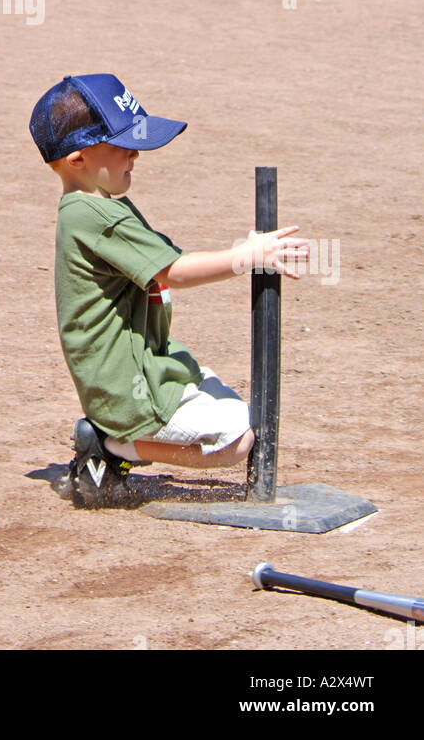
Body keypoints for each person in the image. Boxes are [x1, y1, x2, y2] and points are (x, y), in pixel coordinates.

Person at [28, 74, 308, 507]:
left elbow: (170, 261)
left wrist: (247, 250)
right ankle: (112, 443)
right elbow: (173, 272)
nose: (136, 153)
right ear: (78, 159)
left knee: (236, 414)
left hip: (151, 365)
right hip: (125, 383)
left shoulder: (101, 206)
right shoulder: (93, 215)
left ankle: (121, 434)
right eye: (122, 144)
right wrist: (250, 255)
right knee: (238, 440)